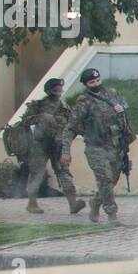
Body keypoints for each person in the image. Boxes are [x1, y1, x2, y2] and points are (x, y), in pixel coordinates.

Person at [60, 68, 135, 224]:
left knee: (112, 180)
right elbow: (70, 128)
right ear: (87, 84)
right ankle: (111, 214)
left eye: (97, 80)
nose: (96, 83)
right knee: (105, 180)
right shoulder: (84, 102)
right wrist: (65, 151)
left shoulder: (113, 94)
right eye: (92, 82)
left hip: (115, 146)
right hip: (96, 147)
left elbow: (124, 113)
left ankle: (95, 203)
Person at [19, 78, 86, 215]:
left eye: (60, 89)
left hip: (58, 146)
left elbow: (73, 127)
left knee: (64, 174)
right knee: (36, 174)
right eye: (55, 89)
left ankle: (73, 204)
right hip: (40, 145)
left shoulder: (65, 107)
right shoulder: (38, 105)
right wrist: (41, 117)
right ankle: (32, 203)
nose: (58, 91)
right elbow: (24, 122)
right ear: (49, 90)